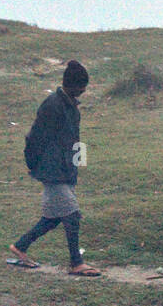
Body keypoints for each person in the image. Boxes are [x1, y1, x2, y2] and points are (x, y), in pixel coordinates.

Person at [10, 59, 100, 276]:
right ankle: (76, 262)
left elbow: (74, 141)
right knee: (72, 214)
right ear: (72, 85)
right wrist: (36, 166)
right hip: (52, 171)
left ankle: (20, 247)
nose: (84, 90)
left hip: (64, 170)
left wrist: (76, 167)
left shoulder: (71, 108)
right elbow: (34, 138)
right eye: (82, 86)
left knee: (53, 218)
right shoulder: (52, 105)